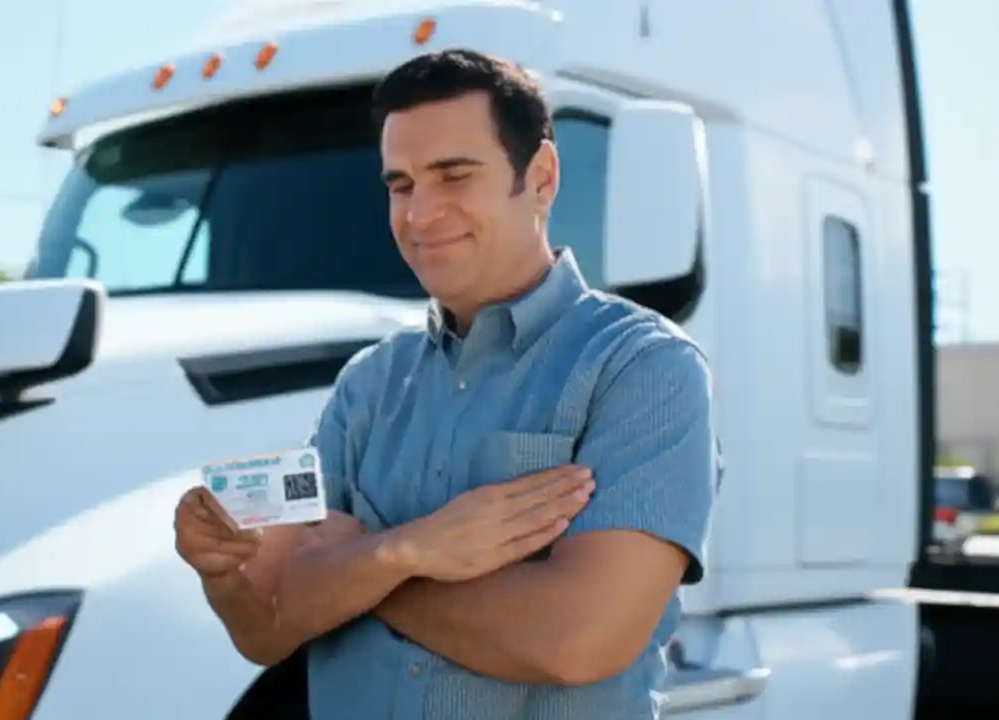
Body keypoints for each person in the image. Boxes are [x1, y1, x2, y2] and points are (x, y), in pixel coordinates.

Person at [174, 48, 720, 719]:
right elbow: (268, 624)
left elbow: (579, 640)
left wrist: (366, 569)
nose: (419, 214)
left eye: (454, 175)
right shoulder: (366, 386)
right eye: (400, 185)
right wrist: (224, 573)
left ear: (541, 177)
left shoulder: (643, 368)